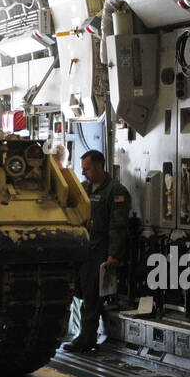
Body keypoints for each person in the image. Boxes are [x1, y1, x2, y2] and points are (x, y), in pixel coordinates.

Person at [65, 149, 130, 352]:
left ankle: (87, 338)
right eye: (82, 169)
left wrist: (114, 254)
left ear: (99, 166)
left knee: (92, 296)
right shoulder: (84, 189)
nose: (84, 173)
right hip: (84, 248)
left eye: (87, 169)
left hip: (100, 250)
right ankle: (84, 334)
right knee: (81, 291)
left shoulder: (116, 191)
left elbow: (118, 226)